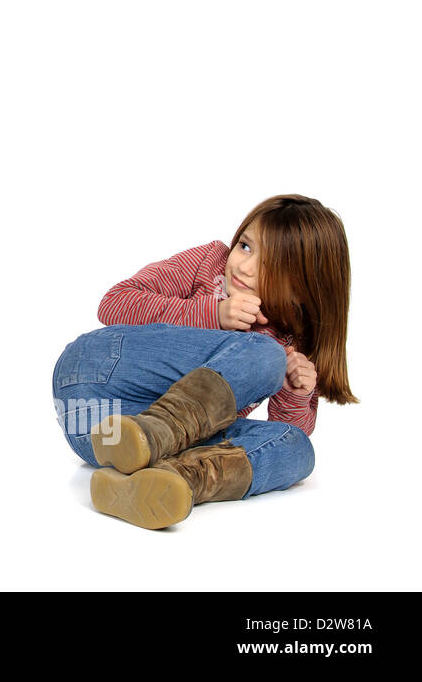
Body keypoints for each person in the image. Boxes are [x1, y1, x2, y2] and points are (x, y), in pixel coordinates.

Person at [50, 194, 354, 529]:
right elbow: (115, 303)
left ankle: (171, 481)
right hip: (95, 377)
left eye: (270, 265)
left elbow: (278, 433)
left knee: (297, 448)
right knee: (264, 354)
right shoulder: (208, 263)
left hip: (101, 439)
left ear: (303, 290)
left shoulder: (288, 344)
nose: (243, 266)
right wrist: (213, 315)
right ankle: (152, 435)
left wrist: (295, 392)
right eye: (246, 246)